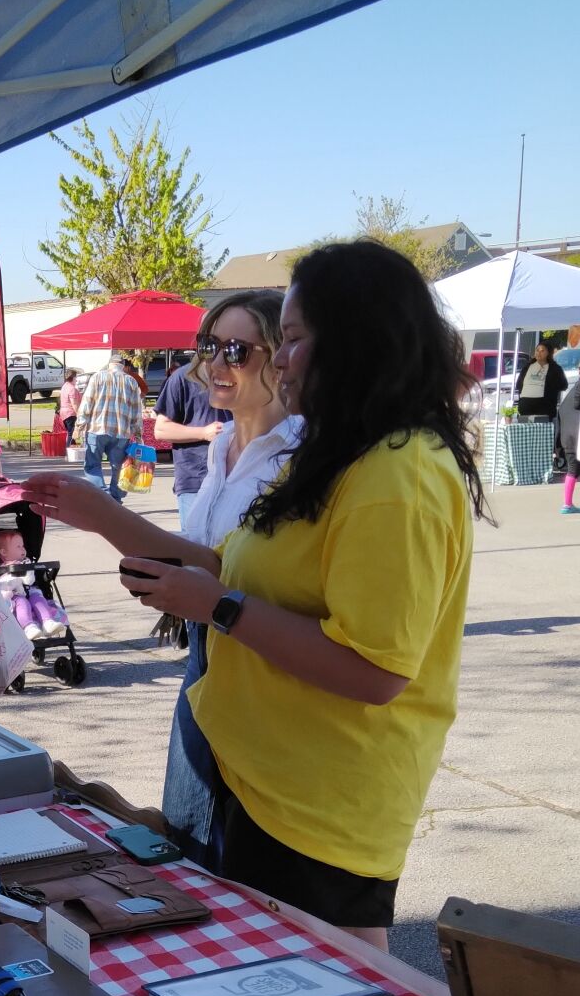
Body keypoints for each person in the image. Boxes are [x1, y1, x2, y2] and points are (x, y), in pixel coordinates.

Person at [27, 240, 488, 951]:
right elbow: (232, 568)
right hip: (260, 787)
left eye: (294, 339)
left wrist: (216, 607)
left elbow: (375, 669)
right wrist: (122, 532)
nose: (278, 359)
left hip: (319, 810)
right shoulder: (339, 453)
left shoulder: (398, 473)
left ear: (355, 343)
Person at [159, 292, 299, 869]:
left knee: (233, 849)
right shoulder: (221, 443)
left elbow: (263, 579)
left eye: (236, 350)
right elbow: (204, 554)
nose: (215, 364)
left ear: (280, 355)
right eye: (209, 345)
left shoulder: (301, 453)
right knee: (186, 830)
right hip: (205, 650)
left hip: (257, 665)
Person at [155, 348, 231, 534]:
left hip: (234, 477)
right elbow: (161, 429)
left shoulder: (240, 376)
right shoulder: (183, 378)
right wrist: (204, 432)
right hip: (195, 480)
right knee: (197, 547)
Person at [74, 352, 143, 503]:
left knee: (92, 465)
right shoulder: (131, 382)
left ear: (109, 364)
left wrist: (79, 425)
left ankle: (103, 495)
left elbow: (87, 403)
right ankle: (115, 498)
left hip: (96, 429)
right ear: (123, 366)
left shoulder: (97, 377)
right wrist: (138, 433)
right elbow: (137, 410)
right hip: (121, 432)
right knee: (118, 467)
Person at [515, 341, 568, 421]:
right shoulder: (527, 367)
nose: (539, 353)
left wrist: (551, 389)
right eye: (537, 350)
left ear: (549, 353)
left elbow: (563, 385)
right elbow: (519, 385)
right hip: (525, 406)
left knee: (544, 430)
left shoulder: (555, 368)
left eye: (542, 351)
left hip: (545, 407)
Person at [559, 371, 580, 514]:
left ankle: (567, 504)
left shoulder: (570, 393)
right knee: (573, 469)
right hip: (577, 435)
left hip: (568, 436)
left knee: (572, 469)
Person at [58, 369, 81, 446]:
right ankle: (69, 452)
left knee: (70, 433)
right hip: (70, 413)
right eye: (76, 377)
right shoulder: (72, 389)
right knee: (72, 434)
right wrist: (79, 414)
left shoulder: (64, 386)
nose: (77, 379)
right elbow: (74, 403)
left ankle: (72, 451)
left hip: (64, 413)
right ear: (73, 377)